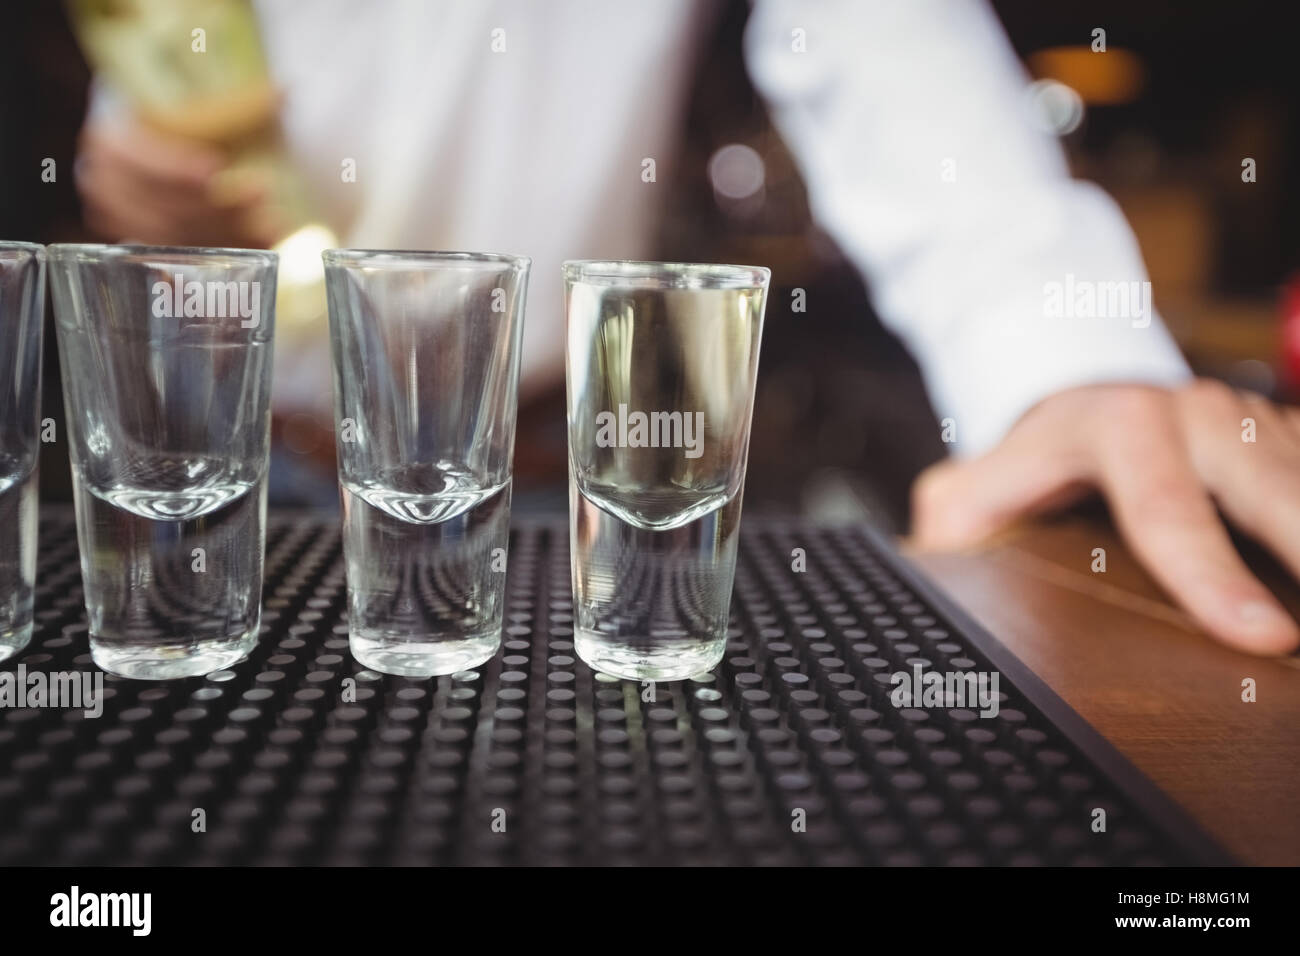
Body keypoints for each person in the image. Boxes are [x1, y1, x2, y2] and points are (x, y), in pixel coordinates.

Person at [73, 0, 1300, 657]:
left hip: (552, 475)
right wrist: (120, 155)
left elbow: (883, 29)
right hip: (228, 454)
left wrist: (1061, 354)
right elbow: (151, 52)